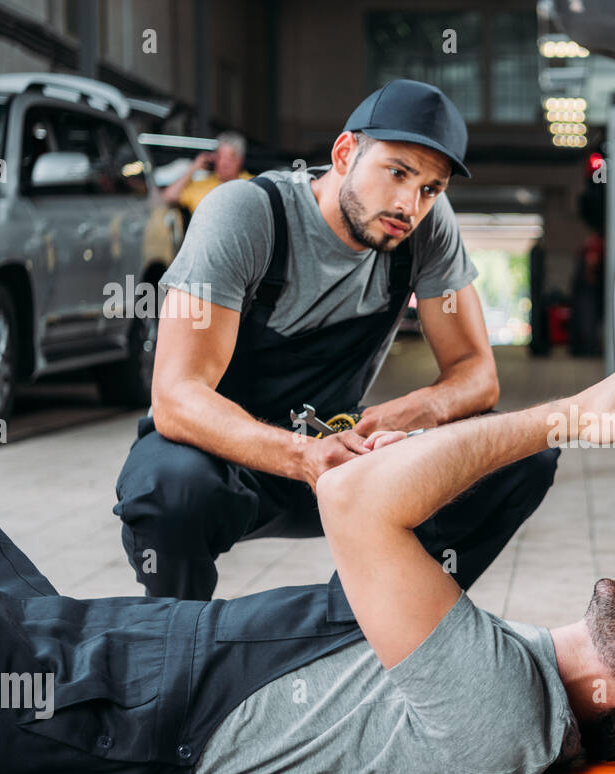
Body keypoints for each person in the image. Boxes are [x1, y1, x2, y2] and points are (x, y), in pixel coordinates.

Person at [0, 368, 615, 774]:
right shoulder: (509, 664)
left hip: (60, 708)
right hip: (75, 639)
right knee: (520, 467)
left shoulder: (502, 711)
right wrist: (427, 430)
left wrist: (571, 412)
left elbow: (347, 501)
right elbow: (494, 474)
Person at [114, 79, 561, 601]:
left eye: (430, 188)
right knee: (171, 489)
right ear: (346, 153)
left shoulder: (427, 230)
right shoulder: (244, 214)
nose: (408, 205)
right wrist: (301, 454)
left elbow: (476, 375)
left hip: (340, 453)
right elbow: (176, 397)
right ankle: (178, 648)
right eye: (397, 172)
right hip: (227, 458)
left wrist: (407, 414)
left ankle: (369, 623)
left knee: (517, 455)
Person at [159, 130, 253, 216]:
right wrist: (193, 168)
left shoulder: (252, 184)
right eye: (220, 156)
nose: (224, 163)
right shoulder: (201, 185)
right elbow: (167, 197)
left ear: (240, 160)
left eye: (230, 157)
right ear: (214, 158)